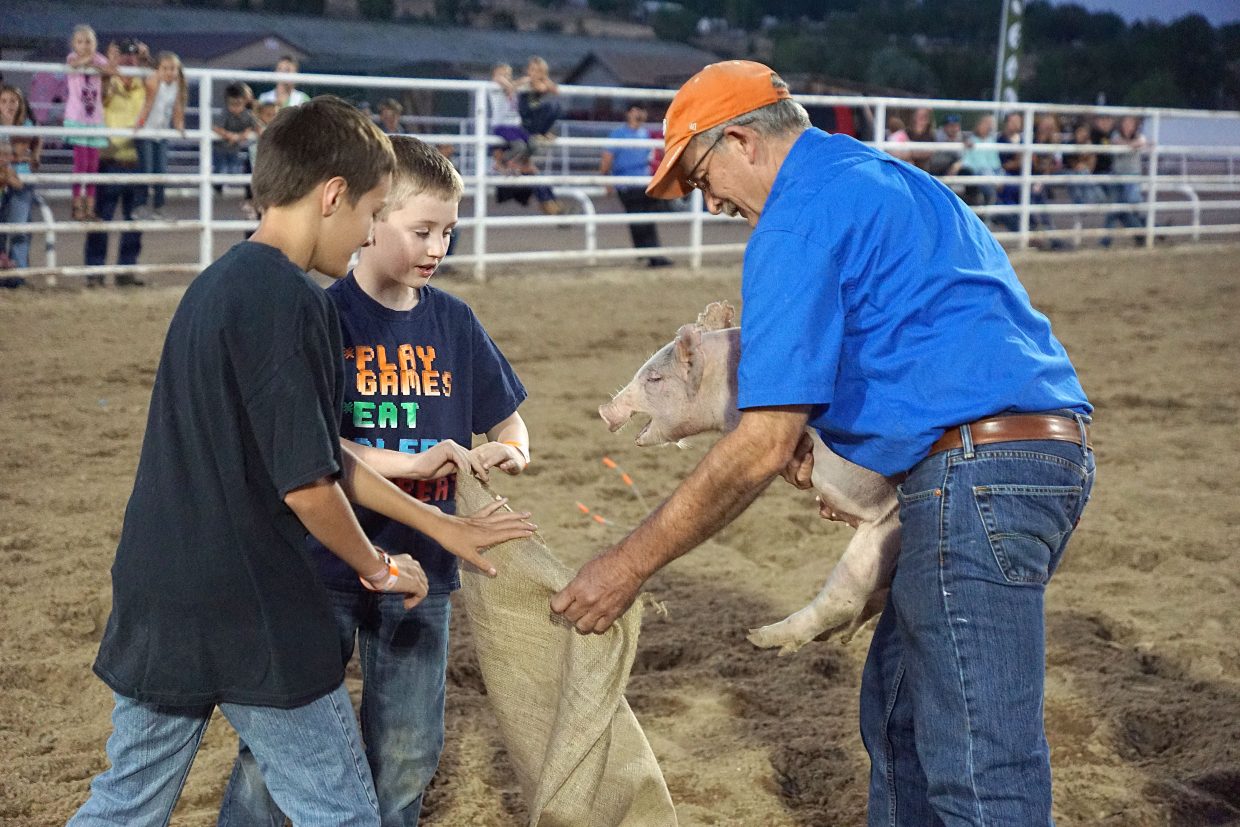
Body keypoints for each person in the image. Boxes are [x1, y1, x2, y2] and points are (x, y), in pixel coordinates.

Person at [551, 60, 1095, 827]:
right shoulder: (875, 176)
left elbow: (762, 442)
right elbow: (920, 341)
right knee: (903, 720)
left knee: (977, 762)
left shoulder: (796, 218)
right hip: (1021, 455)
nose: (711, 202)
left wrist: (625, 564)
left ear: (741, 139)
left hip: (978, 472)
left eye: (704, 178)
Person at [66, 96, 533, 827]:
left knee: (125, 803)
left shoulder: (212, 287)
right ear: (333, 195)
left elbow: (316, 456)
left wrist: (438, 532)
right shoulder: (293, 302)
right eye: (369, 212)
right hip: (251, 605)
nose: (361, 237)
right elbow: (311, 484)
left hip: (160, 597)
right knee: (341, 811)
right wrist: (379, 566)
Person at [218, 135, 530, 827]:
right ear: (369, 219)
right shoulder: (322, 316)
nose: (437, 247)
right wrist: (413, 463)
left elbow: (508, 420)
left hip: (427, 574)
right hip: (325, 559)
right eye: (422, 229)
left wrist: (509, 450)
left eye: (448, 231)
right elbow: (312, 448)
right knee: (284, 742)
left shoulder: (454, 321)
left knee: (409, 746)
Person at [83, 38, 147, 287]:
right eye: (123, 54)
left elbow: (162, 77)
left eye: (132, 54)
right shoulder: (106, 80)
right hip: (109, 159)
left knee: (134, 220)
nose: (128, 59)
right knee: (102, 217)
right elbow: (98, 93)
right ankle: (95, 271)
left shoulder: (143, 80)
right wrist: (108, 68)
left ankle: (125, 269)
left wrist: (147, 59)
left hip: (137, 161)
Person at [599, 103, 671, 268]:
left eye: (642, 111)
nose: (640, 114)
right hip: (627, 184)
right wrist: (606, 179)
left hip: (644, 182)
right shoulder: (618, 134)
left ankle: (648, 254)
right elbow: (606, 159)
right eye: (637, 110)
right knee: (640, 218)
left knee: (645, 218)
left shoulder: (646, 134)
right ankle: (650, 254)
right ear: (629, 113)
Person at [63, 23, 115, 221]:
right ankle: (76, 206)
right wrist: (94, 62)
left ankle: (90, 208)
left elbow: (111, 70)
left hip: (94, 119)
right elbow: (75, 65)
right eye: (80, 41)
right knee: (81, 163)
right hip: (77, 118)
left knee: (93, 165)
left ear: (95, 43)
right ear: (74, 45)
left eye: (89, 41)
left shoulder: (98, 59)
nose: (85, 45)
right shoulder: (72, 58)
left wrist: (110, 58)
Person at [133, 50, 186, 220]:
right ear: (158, 70)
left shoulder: (176, 86)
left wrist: (179, 126)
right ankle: (139, 206)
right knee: (146, 170)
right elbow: (148, 104)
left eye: (173, 68)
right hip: (147, 132)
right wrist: (139, 125)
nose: (170, 72)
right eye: (165, 68)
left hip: (161, 134)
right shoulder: (154, 82)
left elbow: (177, 109)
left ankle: (159, 206)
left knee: (161, 171)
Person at [0, 84, 41, 273]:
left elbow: (15, 153)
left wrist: (7, 127)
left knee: (19, 228)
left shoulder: (26, 125)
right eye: (4, 101)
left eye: (13, 101)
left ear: (20, 104)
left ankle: (18, 274)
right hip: (3, 178)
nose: (9, 105)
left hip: (19, 178)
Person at [959, 113, 1002, 208]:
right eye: (985, 123)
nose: (988, 126)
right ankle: (988, 216)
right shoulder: (971, 141)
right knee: (988, 188)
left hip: (992, 172)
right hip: (979, 173)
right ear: (979, 125)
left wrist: (998, 175)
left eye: (990, 124)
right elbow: (967, 162)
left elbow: (996, 163)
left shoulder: (991, 141)